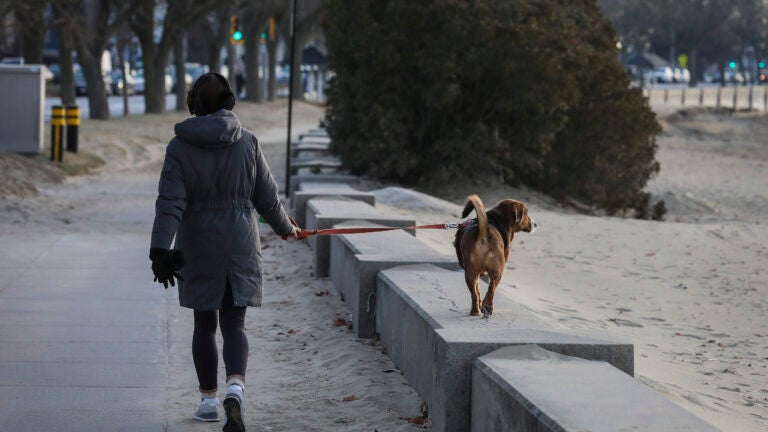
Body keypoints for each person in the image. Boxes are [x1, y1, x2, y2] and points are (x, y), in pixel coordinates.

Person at [149, 72, 298, 432]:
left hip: (197, 243)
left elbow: (170, 203)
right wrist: (287, 228)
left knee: (204, 323)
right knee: (234, 322)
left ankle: (208, 402)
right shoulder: (247, 142)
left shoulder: (179, 147)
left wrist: (159, 250)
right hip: (239, 243)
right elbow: (268, 198)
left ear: (194, 104)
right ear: (229, 101)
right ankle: (236, 387)